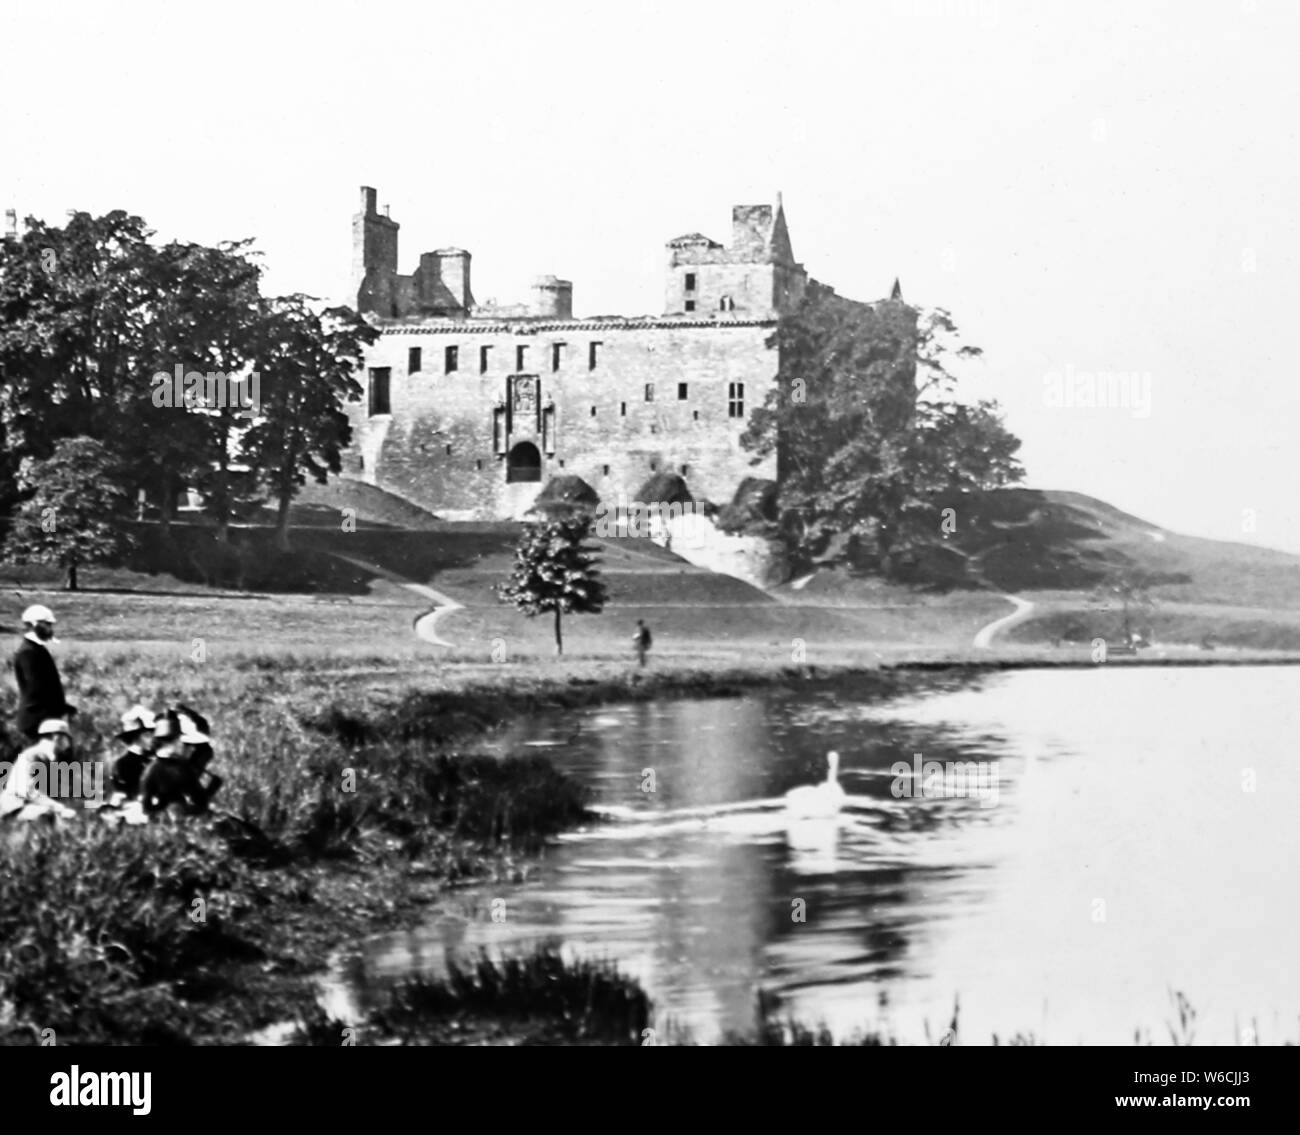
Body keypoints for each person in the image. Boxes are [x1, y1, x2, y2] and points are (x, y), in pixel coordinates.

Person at [140, 706, 222, 816]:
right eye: (184, 743)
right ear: (176, 742)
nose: (186, 748)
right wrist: (211, 789)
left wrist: (211, 789)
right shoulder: (177, 769)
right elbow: (147, 808)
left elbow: (200, 802)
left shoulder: (179, 767)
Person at [13, 605, 76, 743]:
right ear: (35, 624)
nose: (50, 629)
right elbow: (37, 689)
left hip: (42, 718)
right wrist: (61, 709)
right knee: (43, 762)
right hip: (37, 720)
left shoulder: (36, 649)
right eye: (47, 624)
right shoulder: (28, 652)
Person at [0, 718, 79, 824]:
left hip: (31, 808)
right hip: (14, 809)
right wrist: (59, 808)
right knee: (47, 816)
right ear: (56, 737)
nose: (68, 743)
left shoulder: (50, 760)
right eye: (67, 738)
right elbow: (29, 791)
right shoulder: (31, 756)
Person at [109, 705, 157, 801]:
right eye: (147, 735)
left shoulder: (151, 760)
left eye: (152, 735)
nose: (152, 739)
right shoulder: (123, 763)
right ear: (135, 738)